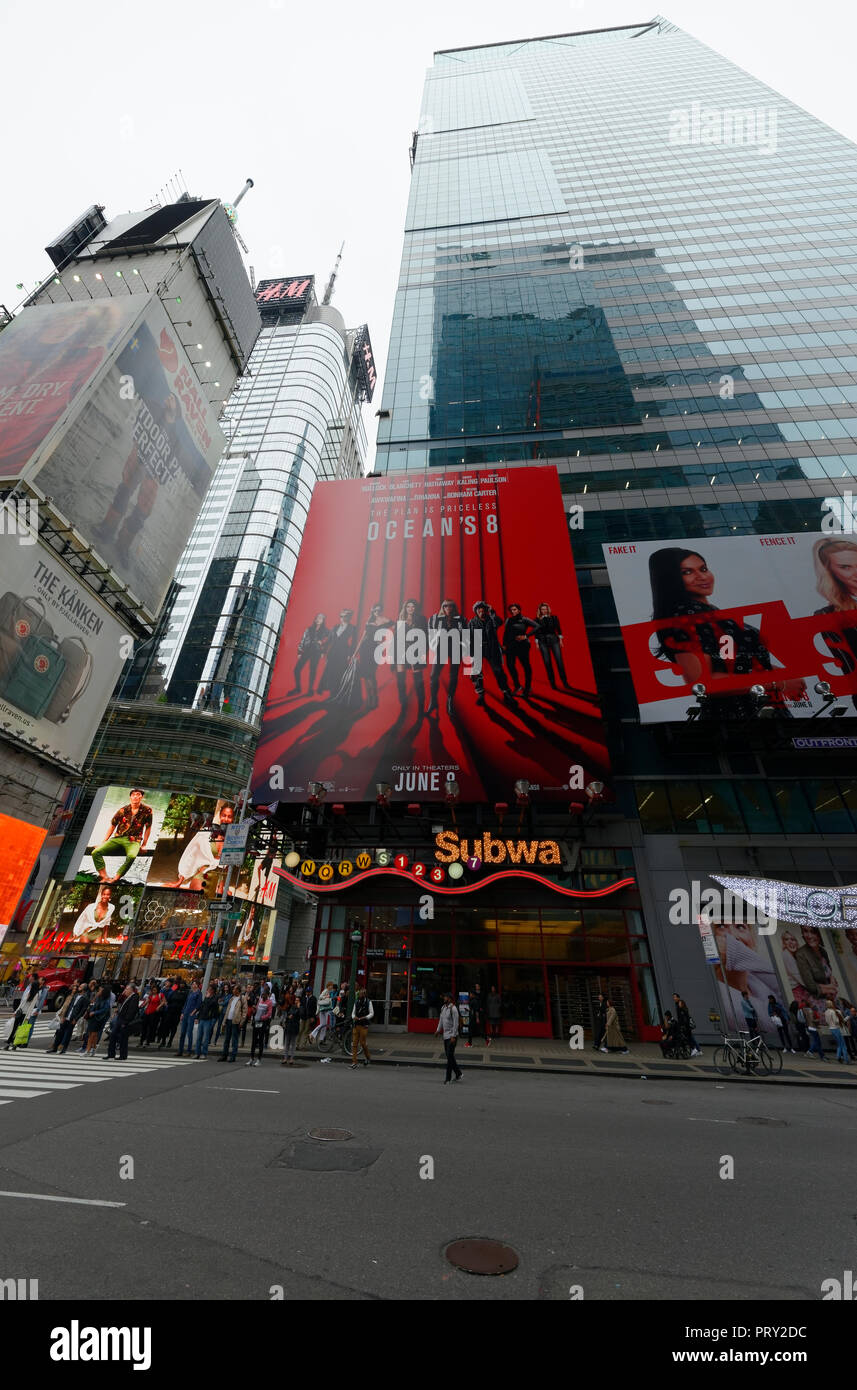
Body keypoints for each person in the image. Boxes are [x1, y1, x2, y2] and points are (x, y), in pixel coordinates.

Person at [334, 604, 391, 710]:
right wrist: (355, 653)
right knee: (365, 675)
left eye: (379, 610)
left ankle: (375, 698)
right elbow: (362, 638)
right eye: (375, 611)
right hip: (364, 650)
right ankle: (370, 699)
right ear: (372, 611)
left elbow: (392, 627)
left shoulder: (384, 622)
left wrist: (383, 644)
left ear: (381, 611)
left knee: (371, 675)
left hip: (375, 650)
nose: (376, 612)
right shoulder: (368, 622)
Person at [90, 788, 153, 883]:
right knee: (96, 852)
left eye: (138, 794)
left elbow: (148, 827)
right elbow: (112, 825)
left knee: (131, 856)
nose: (135, 796)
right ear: (130, 797)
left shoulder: (147, 810)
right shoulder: (123, 810)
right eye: (133, 794)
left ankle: (115, 878)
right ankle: (105, 877)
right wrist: (103, 842)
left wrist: (144, 844)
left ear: (142, 797)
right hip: (118, 838)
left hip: (134, 840)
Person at [163, 805, 234, 890]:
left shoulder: (234, 838)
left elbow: (228, 866)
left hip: (219, 879)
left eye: (229, 817)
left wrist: (224, 887)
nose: (226, 819)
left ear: (233, 819)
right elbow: (191, 854)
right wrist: (180, 881)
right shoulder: (207, 832)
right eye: (224, 815)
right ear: (219, 816)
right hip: (203, 875)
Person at [469, 600, 516, 709]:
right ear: (476, 611)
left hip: (492, 648)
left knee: (498, 671)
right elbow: (469, 637)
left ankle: (506, 693)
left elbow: (500, 622)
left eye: (483, 609)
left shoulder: (492, 620)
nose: (481, 611)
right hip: (477, 648)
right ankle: (480, 695)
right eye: (479, 609)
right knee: (477, 672)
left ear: (486, 610)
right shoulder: (472, 622)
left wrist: (492, 612)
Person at [427, 599, 464, 716]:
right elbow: (430, 633)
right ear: (442, 607)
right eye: (446, 606)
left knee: (453, 676)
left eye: (450, 606)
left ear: (454, 608)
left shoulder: (460, 619)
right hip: (441, 648)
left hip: (455, 648)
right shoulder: (436, 618)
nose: (448, 608)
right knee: (433, 675)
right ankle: (433, 701)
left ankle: (450, 701)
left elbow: (466, 634)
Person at [393, 598, 428, 719]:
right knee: (400, 680)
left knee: (418, 680)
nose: (410, 609)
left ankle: (421, 706)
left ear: (415, 608)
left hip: (415, 651)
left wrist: (424, 652)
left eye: (413, 606)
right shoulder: (400, 620)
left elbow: (425, 637)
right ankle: (403, 703)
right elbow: (396, 639)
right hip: (401, 651)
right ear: (405, 608)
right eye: (408, 606)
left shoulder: (421, 619)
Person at [502, 603, 539, 697]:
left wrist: (526, 636)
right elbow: (505, 633)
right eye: (511, 610)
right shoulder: (509, 620)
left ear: (519, 610)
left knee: (526, 666)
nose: (512, 611)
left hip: (522, 645)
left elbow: (537, 626)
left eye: (514, 609)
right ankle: (517, 685)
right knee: (510, 665)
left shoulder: (524, 619)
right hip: (510, 645)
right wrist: (504, 645)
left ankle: (527, 687)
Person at [534, 602, 573, 690]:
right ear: (540, 610)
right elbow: (536, 632)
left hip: (554, 639)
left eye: (545, 609)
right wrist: (536, 643)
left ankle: (565, 683)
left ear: (548, 609)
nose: (544, 611)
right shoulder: (536, 620)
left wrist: (561, 640)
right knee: (547, 663)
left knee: (559, 661)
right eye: (542, 609)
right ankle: (553, 684)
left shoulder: (554, 618)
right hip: (542, 641)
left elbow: (558, 629)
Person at [4, 972, 47, 1050]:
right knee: (14, 1027)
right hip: (20, 1011)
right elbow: (22, 1003)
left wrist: (28, 1016)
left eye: (32, 986)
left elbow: (31, 1006)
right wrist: (16, 1011)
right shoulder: (28, 992)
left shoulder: (36, 995)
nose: (30, 987)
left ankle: (15, 1044)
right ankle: (10, 1042)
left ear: (34, 987)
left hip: (25, 1014)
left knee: (20, 1029)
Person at [289, 614, 330, 695]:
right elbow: (303, 639)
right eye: (317, 618)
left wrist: (323, 650)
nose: (318, 620)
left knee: (312, 670)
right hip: (307, 650)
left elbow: (329, 641)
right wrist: (300, 651)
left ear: (323, 621)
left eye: (320, 618)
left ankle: (310, 690)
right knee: (297, 669)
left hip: (317, 651)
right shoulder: (309, 629)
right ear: (315, 619)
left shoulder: (326, 631)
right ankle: (298, 688)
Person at [319, 609, 356, 696]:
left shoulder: (352, 628)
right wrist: (323, 650)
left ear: (349, 617)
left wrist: (350, 654)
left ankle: (335, 691)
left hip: (343, 652)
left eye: (344, 616)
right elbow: (329, 640)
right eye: (341, 616)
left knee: (339, 672)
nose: (342, 618)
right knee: (328, 669)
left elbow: (354, 643)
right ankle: (324, 688)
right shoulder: (335, 627)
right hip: (333, 651)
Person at [51, 982, 87, 1053]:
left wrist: (76, 1019)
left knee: (68, 1034)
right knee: (60, 1032)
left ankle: (63, 1049)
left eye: (80, 987)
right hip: (67, 1016)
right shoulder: (75, 995)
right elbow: (69, 1006)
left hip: (73, 1018)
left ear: (83, 989)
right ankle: (55, 1048)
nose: (78, 988)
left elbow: (82, 1011)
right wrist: (64, 1016)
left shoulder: (85, 998)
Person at [107, 985, 140, 1061]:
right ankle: (111, 1055)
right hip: (120, 1019)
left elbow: (131, 1011)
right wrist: (118, 1011)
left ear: (131, 990)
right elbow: (123, 1006)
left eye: (127, 989)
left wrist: (125, 1022)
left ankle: (123, 1055)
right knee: (113, 1035)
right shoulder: (127, 997)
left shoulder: (134, 997)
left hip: (124, 1021)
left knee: (123, 1038)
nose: (125, 990)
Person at [437, 993, 463, 1083]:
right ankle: (458, 1073)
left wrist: (453, 1035)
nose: (444, 998)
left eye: (446, 997)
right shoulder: (443, 1008)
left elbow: (456, 1024)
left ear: (450, 999)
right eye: (444, 996)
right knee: (449, 1056)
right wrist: (438, 1030)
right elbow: (441, 1020)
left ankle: (447, 1079)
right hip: (445, 1036)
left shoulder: (454, 1009)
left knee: (449, 1057)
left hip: (452, 1037)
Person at [247, 985, 274, 1066]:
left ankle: (259, 1059)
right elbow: (257, 1009)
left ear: (267, 995)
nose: (263, 996)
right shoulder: (260, 1000)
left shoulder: (269, 1002)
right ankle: (251, 1058)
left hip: (263, 1023)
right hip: (256, 1021)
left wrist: (262, 1017)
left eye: (264, 995)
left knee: (261, 1040)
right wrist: (254, 1010)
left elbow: (269, 1014)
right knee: (254, 1041)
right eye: (262, 994)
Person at [219, 987, 247, 1063]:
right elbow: (228, 1010)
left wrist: (241, 1022)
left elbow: (245, 1011)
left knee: (234, 1040)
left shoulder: (242, 998)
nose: (233, 990)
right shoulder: (232, 998)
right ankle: (224, 1055)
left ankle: (233, 1056)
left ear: (238, 990)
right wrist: (224, 1022)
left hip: (236, 1021)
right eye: (233, 989)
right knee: (226, 1039)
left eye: (235, 989)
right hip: (228, 1020)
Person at [177, 978, 203, 1057]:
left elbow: (199, 1005)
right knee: (182, 1033)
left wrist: (193, 1013)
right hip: (185, 1013)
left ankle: (189, 1050)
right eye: (193, 984)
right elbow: (186, 1003)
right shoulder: (190, 992)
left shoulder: (199, 993)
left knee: (189, 1032)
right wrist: (182, 1013)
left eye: (195, 984)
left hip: (191, 1014)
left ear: (198, 985)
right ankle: (180, 1050)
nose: (193, 985)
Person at [158, 979, 186, 1049]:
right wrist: (167, 1005)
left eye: (183, 984)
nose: (181, 985)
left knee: (173, 1027)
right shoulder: (174, 992)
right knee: (165, 1026)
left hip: (177, 1012)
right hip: (170, 1011)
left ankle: (170, 1041)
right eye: (180, 984)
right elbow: (168, 1000)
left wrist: (182, 1012)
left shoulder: (185, 993)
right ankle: (163, 1041)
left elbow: (185, 1004)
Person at [84, 987, 111, 1056]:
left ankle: (87, 1050)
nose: (99, 991)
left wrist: (94, 1012)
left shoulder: (107, 1001)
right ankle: (94, 1048)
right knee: (93, 1035)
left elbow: (104, 1010)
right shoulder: (99, 998)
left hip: (99, 1019)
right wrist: (91, 1011)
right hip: (93, 1018)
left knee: (92, 1035)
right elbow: (93, 1004)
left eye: (100, 990)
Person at [195, 985, 220, 1059]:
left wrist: (208, 998)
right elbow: (202, 1007)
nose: (208, 990)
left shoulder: (214, 998)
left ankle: (204, 1053)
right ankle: (197, 1053)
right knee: (199, 1037)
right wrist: (197, 1017)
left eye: (209, 989)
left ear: (212, 991)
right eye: (208, 989)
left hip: (208, 1020)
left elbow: (212, 1005)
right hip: (202, 1019)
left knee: (206, 1038)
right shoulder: (206, 997)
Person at [350, 988, 373, 1068]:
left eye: (362, 994)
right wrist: (354, 1017)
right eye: (360, 994)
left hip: (364, 1025)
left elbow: (372, 1013)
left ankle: (368, 1057)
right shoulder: (356, 1002)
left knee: (362, 1043)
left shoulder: (368, 1002)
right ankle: (354, 1062)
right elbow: (352, 1013)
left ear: (365, 994)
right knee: (354, 1044)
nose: (360, 995)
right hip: (356, 1025)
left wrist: (365, 1017)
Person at [141, 982, 166, 1048]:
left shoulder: (161, 995)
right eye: (153, 990)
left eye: (155, 990)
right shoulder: (150, 995)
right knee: (144, 1026)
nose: (154, 991)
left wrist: (159, 1006)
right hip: (147, 1011)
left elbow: (164, 1001)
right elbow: (147, 1001)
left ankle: (148, 1041)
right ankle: (142, 1040)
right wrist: (142, 1005)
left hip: (154, 1013)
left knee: (151, 1027)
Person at [280, 994, 301, 1066]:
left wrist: (297, 1009)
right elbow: (289, 1015)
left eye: (298, 1001)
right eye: (296, 1000)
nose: (296, 1001)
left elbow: (299, 1015)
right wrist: (289, 1016)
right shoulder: (292, 1007)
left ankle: (291, 1058)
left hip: (295, 1027)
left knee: (293, 1044)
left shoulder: (301, 1008)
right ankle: (285, 1058)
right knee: (287, 1044)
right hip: (289, 1026)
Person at [297, 985, 318, 1050]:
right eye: (306, 992)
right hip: (303, 1016)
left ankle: (303, 1046)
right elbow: (301, 1007)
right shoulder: (303, 998)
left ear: (311, 992)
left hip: (309, 1017)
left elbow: (314, 1009)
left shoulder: (313, 998)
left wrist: (313, 1017)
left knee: (306, 1031)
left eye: (309, 992)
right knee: (300, 1030)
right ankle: (297, 1045)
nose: (307, 993)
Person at [465, 983, 485, 1048]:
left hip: (473, 1017)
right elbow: (472, 1009)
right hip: (472, 1016)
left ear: (473, 994)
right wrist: (468, 1010)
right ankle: (470, 1043)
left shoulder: (475, 1001)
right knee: (475, 1030)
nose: (469, 995)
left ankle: (470, 1043)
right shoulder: (472, 1000)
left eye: (470, 994)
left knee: (473, 1030)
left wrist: (477, 1018)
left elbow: (476, 1010)